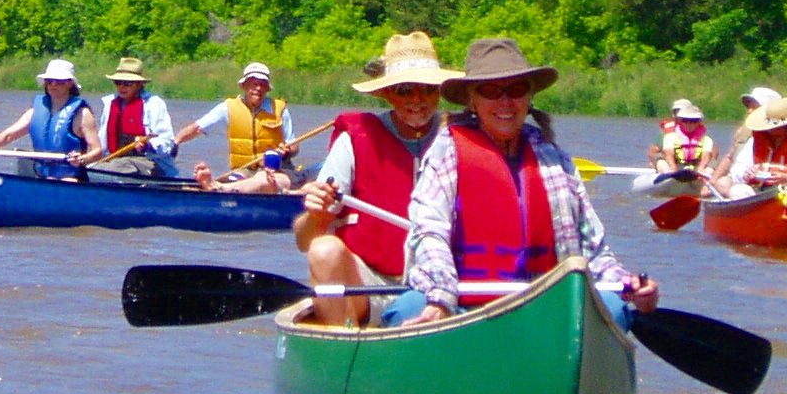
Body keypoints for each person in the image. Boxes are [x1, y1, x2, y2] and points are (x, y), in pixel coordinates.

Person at [404, 36, 658, 328]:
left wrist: (627, 285)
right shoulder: (446, 152)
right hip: (463, 303)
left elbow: (592, 248)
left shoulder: (553, 158)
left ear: (529, 97)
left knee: (614, 307)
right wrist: (440, 298)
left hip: (544, 302)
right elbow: (429, 232)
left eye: (516, 90)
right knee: (408, 308)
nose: (505, 102)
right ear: (472, 100)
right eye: (491, 91)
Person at [294, 31, 458, 327]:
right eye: (405, 90)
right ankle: (344, 347)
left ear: (441, 91)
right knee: (323, 249)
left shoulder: (460, 139)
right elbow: (305, 241)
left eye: (428, 89)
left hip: (445, 281)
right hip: (371, 286)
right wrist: (315, 215)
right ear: (387, 93)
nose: (418, 100)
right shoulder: (355, 141)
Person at [179, 63, 298, 191]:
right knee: (235, 180)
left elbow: (294, 146)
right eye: (254, 84)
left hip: (275, 170)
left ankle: (219, 187)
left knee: (262, 180)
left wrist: (286, 152)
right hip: (244, 170)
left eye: (263, 85)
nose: (258, 88)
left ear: (267, 89)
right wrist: (176, 142)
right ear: (244, 86)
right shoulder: (228, 107)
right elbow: (197, 127)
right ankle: (219, 187)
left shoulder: (279, 109)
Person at [0, 59, 100, 179]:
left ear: (70, 83)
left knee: (68, 181)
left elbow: (97, 151)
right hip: (43, 176)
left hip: (71, 178)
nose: (53, 84)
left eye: (59, 81)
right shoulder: (34, 112)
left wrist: (82, 159)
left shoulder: (82, 114)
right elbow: (8, 135)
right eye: (49, 81)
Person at [78, 57, 180, 177]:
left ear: (139, 84)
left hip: (150, 163)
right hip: (114, 162)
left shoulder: (154, 104)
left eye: (127, 84)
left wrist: (148, 145)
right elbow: (103, 142)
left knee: (119, 166)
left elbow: (167, 143)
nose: (121, 87)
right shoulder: (110, 103)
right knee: (89, 170)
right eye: (118, 83)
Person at [714, 94, 787, 198]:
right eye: (771, 127)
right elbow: (736, 171)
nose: (775, 130)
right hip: (759, 194)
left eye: (782, 126)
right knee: (737, 190)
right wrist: (747, 173)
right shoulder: (754, 142)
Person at [712, 85, 779, 183]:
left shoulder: (781, 135)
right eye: (749, 106)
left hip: (769, 184)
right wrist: (712, 182)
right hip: (738, 179)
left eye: (755, 107)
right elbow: (729, 158)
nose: (749, 111)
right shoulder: (743, 132)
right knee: (723, 183)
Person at [649, 99, 715, 176]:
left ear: (699, 122)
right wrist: (673, 169)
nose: (689, 123)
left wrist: (701, 169)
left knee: (714, 163)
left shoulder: (706, 139)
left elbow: (706, 156)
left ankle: (705, 178)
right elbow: (668, 155)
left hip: (697, 168)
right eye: (685, 120)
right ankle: (667, 175)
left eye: (694, 121)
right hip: (675, 166)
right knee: (659, 158)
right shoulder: (669, 136)